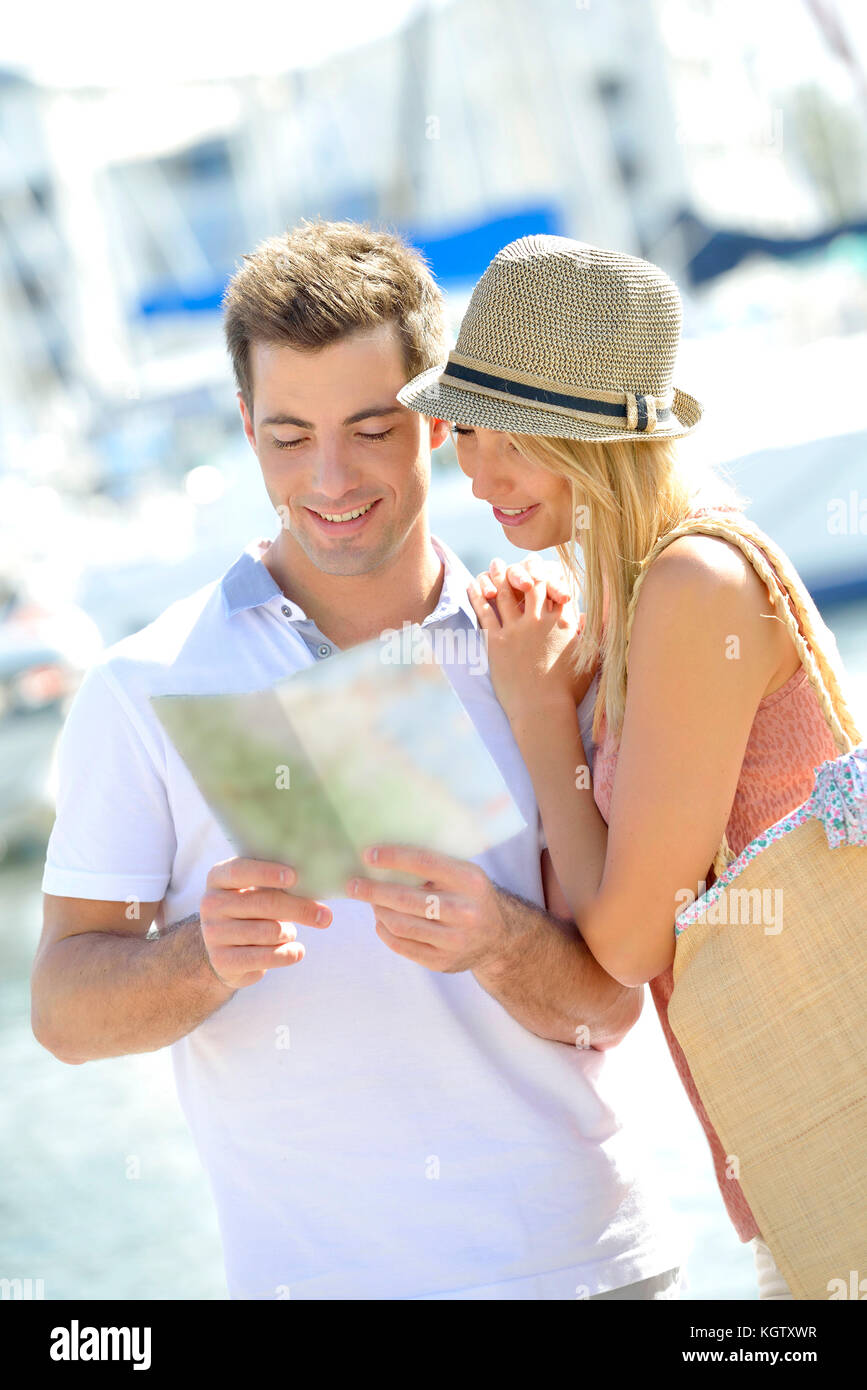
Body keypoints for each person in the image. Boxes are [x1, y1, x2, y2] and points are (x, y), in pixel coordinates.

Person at [32, 220, 684, 1301]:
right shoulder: (144, 686)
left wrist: (505, 941)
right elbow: (62, 1011)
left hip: (585, 1273)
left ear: (434, 424)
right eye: (287, 436)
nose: (328, 478)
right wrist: (203, 953)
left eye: (371, 429)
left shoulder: (553, 648)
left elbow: (608, 1010)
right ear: (245, 429)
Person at [398, 232, 855, 1300]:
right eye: (466, 426)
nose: (477, 469)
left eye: (512, 431)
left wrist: (537, 710)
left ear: (591, 435)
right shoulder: (637, 602)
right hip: (795, 1160)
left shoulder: (695, 585)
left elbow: (632, 935)